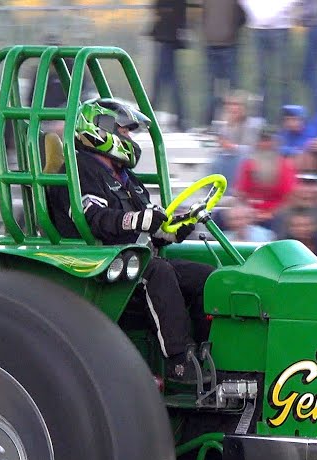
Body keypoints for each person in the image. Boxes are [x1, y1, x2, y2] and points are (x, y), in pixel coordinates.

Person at [45, 98, 211, 385]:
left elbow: (154, 228)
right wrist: (137, 220)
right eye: (124, 131)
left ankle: (208, 352)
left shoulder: (125, 176)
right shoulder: (78, 171)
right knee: (158, 273)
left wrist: (180, 225)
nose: (129, 139)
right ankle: (178, 362)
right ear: (100, 130)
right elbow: (92, 217)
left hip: (132, 258)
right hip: (98, 266)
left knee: (207, 278)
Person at [146, 0, 189, 130]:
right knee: (167, 79)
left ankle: (150, 115)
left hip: (167, 36)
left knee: (164, 80)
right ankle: (180, 119)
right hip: (168, 36)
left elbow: (165, 9)